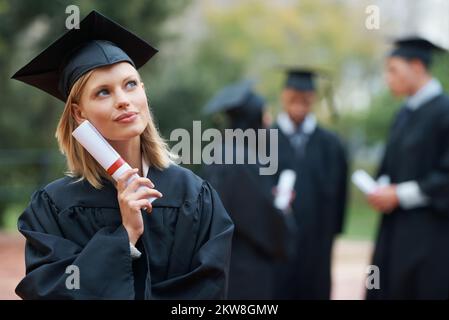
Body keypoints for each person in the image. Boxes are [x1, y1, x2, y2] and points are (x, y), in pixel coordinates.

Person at [12, 10, 234, 300]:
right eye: (103, 92)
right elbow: (52, 293)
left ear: (143, 90)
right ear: (79, 113)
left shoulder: (193, 195)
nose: (123, 101)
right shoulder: (54, 208)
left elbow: (208, 293)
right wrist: (124, 237)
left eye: (130, 84)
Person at [366, 37, 449, 300]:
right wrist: (381, 188)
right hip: (394, 228)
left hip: (432, 234)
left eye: (393, 69)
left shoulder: (445, 111)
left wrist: (399, 194)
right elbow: (390, 165)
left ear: (417, 66)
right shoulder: (403, 114)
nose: (388, 78)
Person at [202, 80, 297, 299]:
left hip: (225, 260)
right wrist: (281, 210)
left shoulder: (222, 151)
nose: (268, 121)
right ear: (252, 118)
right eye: (264, 114)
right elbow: (260, 220)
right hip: (244, 267)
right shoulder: (241, 159)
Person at [273, 68, 348, 299]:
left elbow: (340, 194)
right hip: (275, 241)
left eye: (306, 97)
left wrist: (329, 234)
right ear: (283, 95)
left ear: (314, 98)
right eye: (293, 95)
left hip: (317, 241)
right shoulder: (264, 139)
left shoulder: (331, 144)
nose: (300, 102)